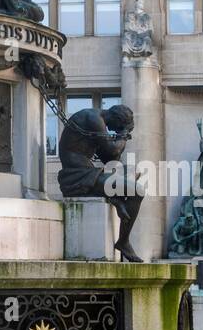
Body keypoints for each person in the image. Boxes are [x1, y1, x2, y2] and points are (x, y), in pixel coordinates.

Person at [57, 104, 145, 261]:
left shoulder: (99, 123)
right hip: (76, 176)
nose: (114, 131)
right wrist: (123, 134)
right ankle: (123, 241)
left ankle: (116, 200)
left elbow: (111, 160)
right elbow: (113, 151)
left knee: (134, 171)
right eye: (117, 128)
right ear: (117, 121)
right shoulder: (93, 118)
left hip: (88, 172)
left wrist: (118, 140)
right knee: (137, 191)